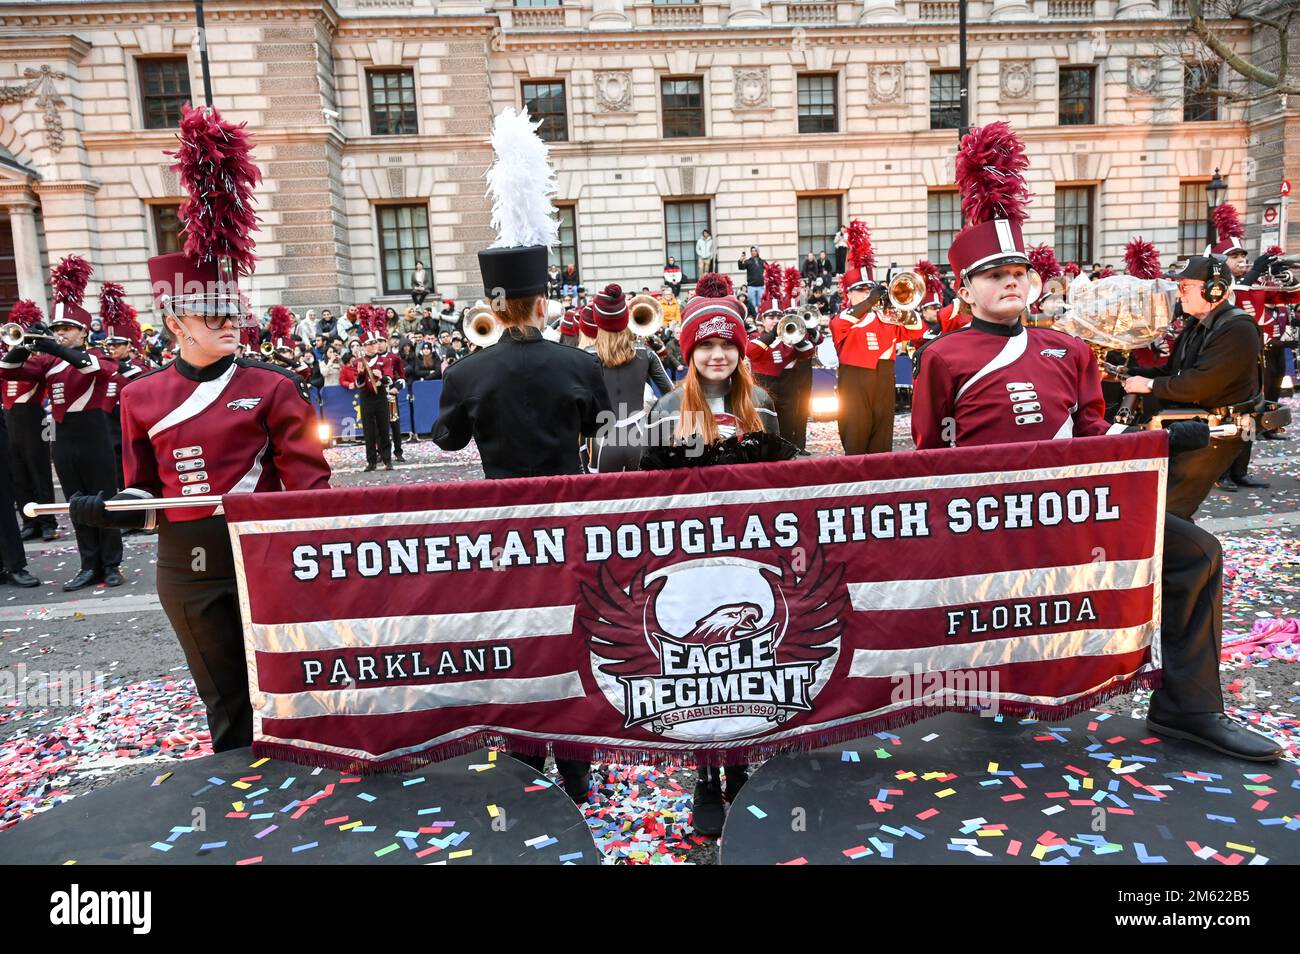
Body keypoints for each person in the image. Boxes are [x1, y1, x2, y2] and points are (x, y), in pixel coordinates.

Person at [912, 121, 1279, 763]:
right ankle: (998, 685)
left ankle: (1188, 710)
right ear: (964, 287)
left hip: (1080, 505)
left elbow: (1093, 435)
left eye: (1018, 270)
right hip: (996, 519)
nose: (1009, 281)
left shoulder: (1070, 349)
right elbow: (931, 456)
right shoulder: (943, 357)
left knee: (1196, 552)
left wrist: (1167, 439)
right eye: (992, 273)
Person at [71, 238, 331, 753]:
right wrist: (112, 513)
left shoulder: (274, 386)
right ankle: (243, 804)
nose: (229, 323)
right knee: (225, 700)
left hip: (265, 556)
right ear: (175, 323)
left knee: (290, 689)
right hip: (187, 567)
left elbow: (311, 490)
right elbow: (145, 492)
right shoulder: (139, 394)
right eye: (211, 315)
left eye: (232, 312)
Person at [433, 109, 612, 801]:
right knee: (570, 641)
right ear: (542, 298)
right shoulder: (576, 360)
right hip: (567, 518)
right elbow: (603, 426)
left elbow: (446, 439)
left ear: (492, 301)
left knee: (519, 640)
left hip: (501, 522)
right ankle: (576, 765)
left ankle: (524, 757)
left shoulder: (468, 371)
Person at [639, 277, 792, 835]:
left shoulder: (765, 406)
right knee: (702, 672)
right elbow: (646, 490)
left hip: (747, 563)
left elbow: (780, 485)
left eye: (727, 344)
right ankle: (706, 777)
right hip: (688, 567)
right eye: (705, 345)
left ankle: (742, 773)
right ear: (689, 352)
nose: (718, 354)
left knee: (746, 668)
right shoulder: (667, 409)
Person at [0, 257, 123, 591]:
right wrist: (25, 346)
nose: (60, 334)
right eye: (56, 329)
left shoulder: (98, 358)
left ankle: (111, 564)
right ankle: (88, 564)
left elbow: (90, 369)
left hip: (94, 435)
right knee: (76, 502)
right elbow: (7, 372)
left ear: (83, 332)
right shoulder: (48, 366)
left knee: (104, 501)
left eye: (66, 329)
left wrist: (53, 347)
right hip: (63, 439)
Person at [1122, 255, 1262, 521]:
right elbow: (1171, 372)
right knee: (1163, 501)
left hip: (1217, 430)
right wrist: (1122, 374)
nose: (1179, 292)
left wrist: (1149, 385)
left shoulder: (1237, 328)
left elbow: (1200, 384)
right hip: (1193, 424)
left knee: (1169, 510)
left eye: (1185, 286)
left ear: (1214, 289)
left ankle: (1183, 558)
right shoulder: (1197, 325)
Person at [831, 223, 922, 455]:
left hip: (884, 376)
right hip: (855, 379)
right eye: (860, 290)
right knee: (856, 435)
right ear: (848, 294)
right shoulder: (844, 318)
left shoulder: (887, 319)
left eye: (869, 289)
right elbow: (839, 324)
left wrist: (900, 308)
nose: (865, 293)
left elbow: (917, 330)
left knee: (882, 437)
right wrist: (869, 301)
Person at [583, 284, 673, 473]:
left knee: (601, 500)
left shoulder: (585, 356)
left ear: (598, 321)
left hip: (601, 438)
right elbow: (672, 395)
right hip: (639, 433)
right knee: (643, 499)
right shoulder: (646, 353)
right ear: (625, 318)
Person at [2, 300, 58, 542]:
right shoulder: (6, 361)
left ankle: (47, 521)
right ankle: (29, 521)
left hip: (33, 418)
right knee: (18, 474)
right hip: (8, 418)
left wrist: (35, 344)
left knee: (39, 471)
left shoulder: (39, 363)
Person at [748, 306, 820, 452]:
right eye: (771, 318)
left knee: (787, 426)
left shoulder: (789, 339)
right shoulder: (757, 338)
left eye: (778, 318)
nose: (775, 321)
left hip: (788, 387)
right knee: (764, 425)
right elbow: (751, 351)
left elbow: (808, 351)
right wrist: (773, 334)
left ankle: (786, 456)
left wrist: (797, 337)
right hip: (764, 386)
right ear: (762, 321)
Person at [737, 246, 766, 316]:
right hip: (751, 286)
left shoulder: (762, 261)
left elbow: (769, 269)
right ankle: (753, 317)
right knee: (752, 304)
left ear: (757, 252)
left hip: (761, 286)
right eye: (752, 251)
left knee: (760, 304)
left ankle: (760, 317)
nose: (753, 252)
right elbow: (741, 267)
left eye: (755, 251)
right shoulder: (748, 261)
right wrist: (740, 260)